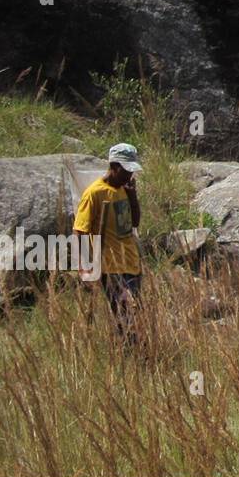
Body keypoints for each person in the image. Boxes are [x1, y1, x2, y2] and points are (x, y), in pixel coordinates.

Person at [74, 143, 143, 341]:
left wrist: (133, 197)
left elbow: (134, 223)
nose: (129, 175)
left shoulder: (125, 189)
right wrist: (84, 266)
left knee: (134, 313)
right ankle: (130, 352)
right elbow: (79, 230)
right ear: (113, 167)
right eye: (125, 170)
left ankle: (129, 350)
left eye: (132, 170)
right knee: (125, 311)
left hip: (131, 262)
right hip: (111, 266)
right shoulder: (94, 193)